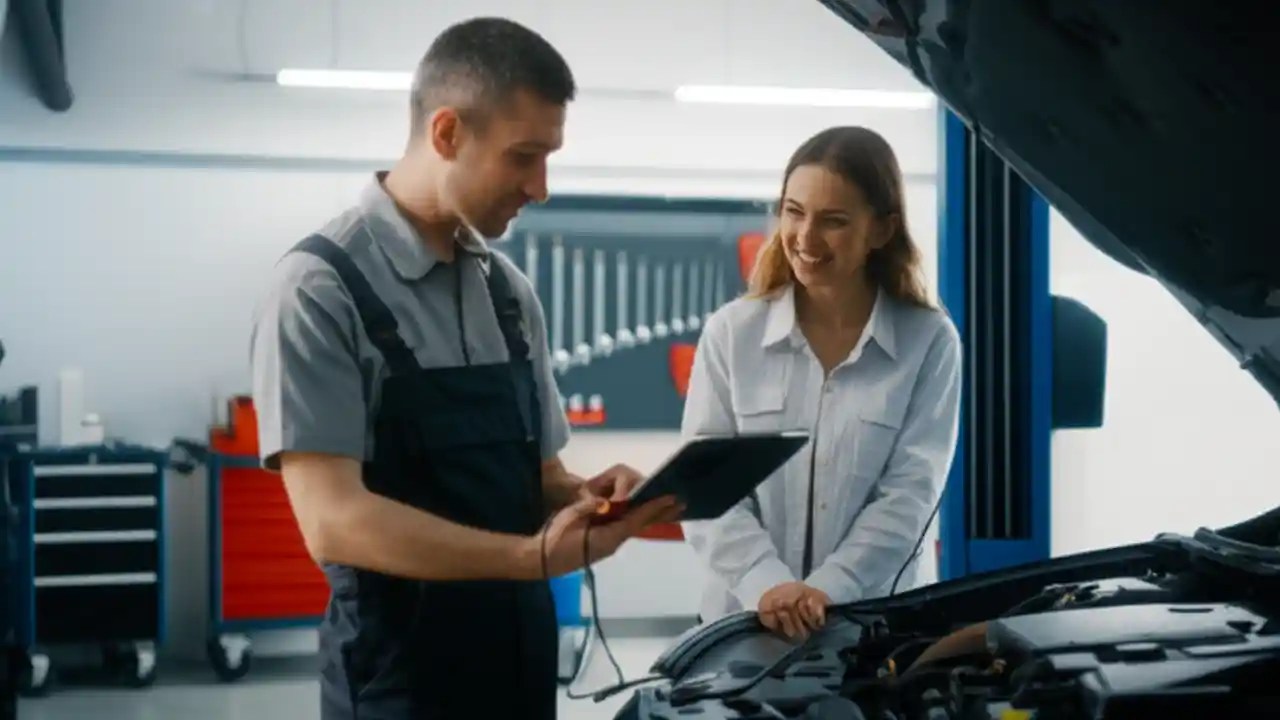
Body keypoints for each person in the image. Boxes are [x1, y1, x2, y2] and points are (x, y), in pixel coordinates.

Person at [249, 17, 681, 720]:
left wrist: (588, 500)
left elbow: (536, 479)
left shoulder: (509, 292)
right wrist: (528, 560)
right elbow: (334, 522)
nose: (541, 187)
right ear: (447, 133)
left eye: (550, 157)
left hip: (520, 670)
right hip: (398, 687)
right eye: (524, 156)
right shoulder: (319, 289)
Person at [681, 126, 961, 640]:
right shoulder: (731, 334)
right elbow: (707, 489)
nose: (805, 239)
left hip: (873, 625)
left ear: (881, 230)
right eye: (794, 211)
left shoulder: (929, 340)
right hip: (743, 620)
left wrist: (827, 590)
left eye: (833, 221)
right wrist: (769, 586)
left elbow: (910, 493)